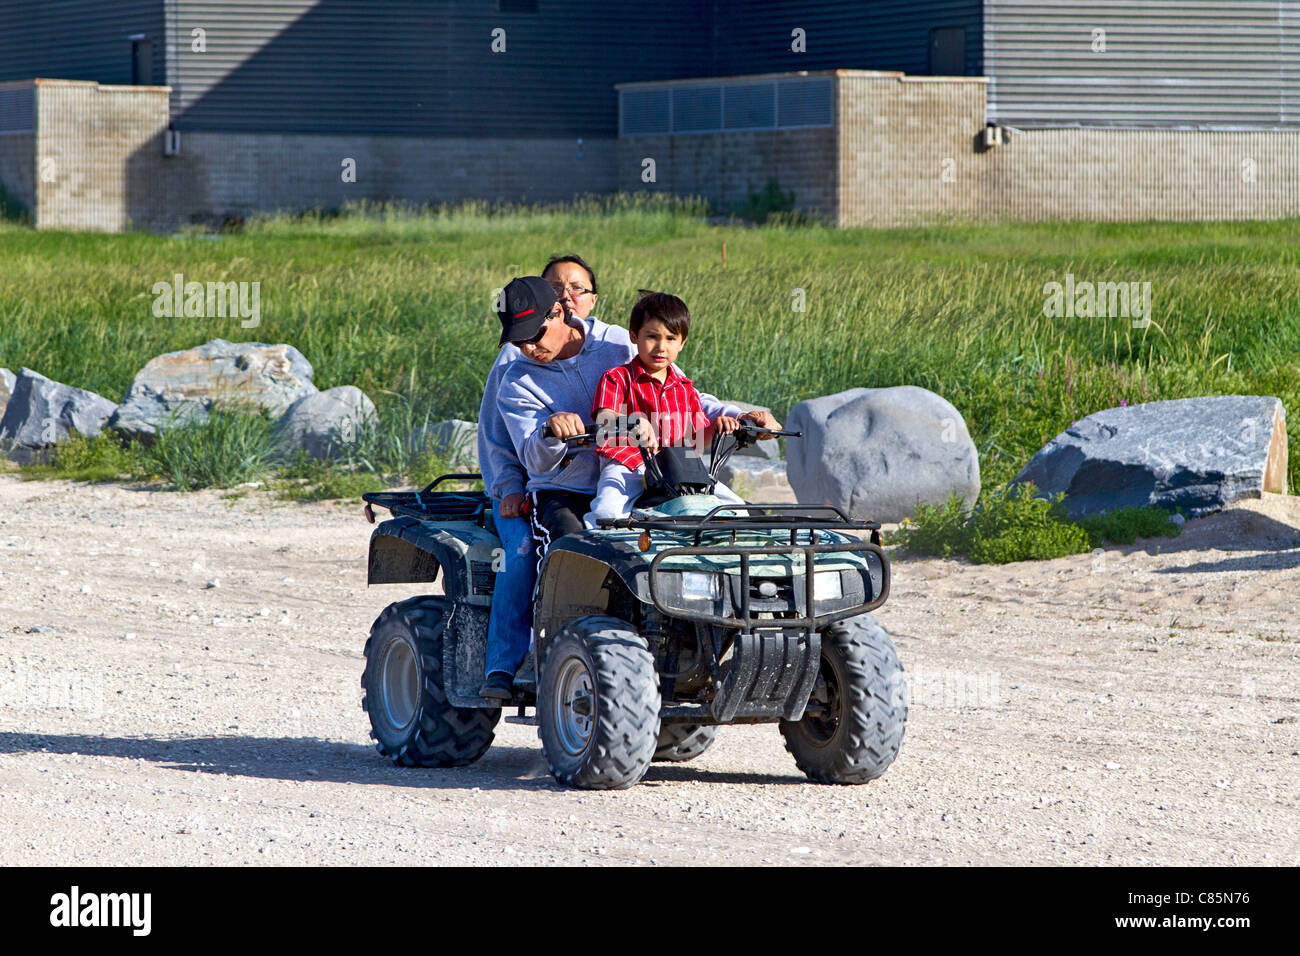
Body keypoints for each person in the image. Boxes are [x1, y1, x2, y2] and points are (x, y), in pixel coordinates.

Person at [476, 255, 600, 701]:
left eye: (576, 289)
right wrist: (507, 487)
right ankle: (506, 665)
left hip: (615, 482)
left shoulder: (619, 345)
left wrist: (733, 415)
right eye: (519, 337)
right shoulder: (514, 369)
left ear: (563, 309)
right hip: (534, 486)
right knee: (522, 553)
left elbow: (678, 390)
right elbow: (497, 438)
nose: (528, 346)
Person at [585, 291, 747, 527]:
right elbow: (604, 420)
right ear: (634, 336)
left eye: (671, 338)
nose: (661, 347)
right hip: (629, 465)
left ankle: (732, 551)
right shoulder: (617, 378)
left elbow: (698, 440)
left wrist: (721, 428)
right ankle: (594, 549)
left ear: (682, 343)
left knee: (735, 508)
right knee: (607, 511)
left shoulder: (685, 389)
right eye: (652, 336)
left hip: (679, 467)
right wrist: (632, 423)